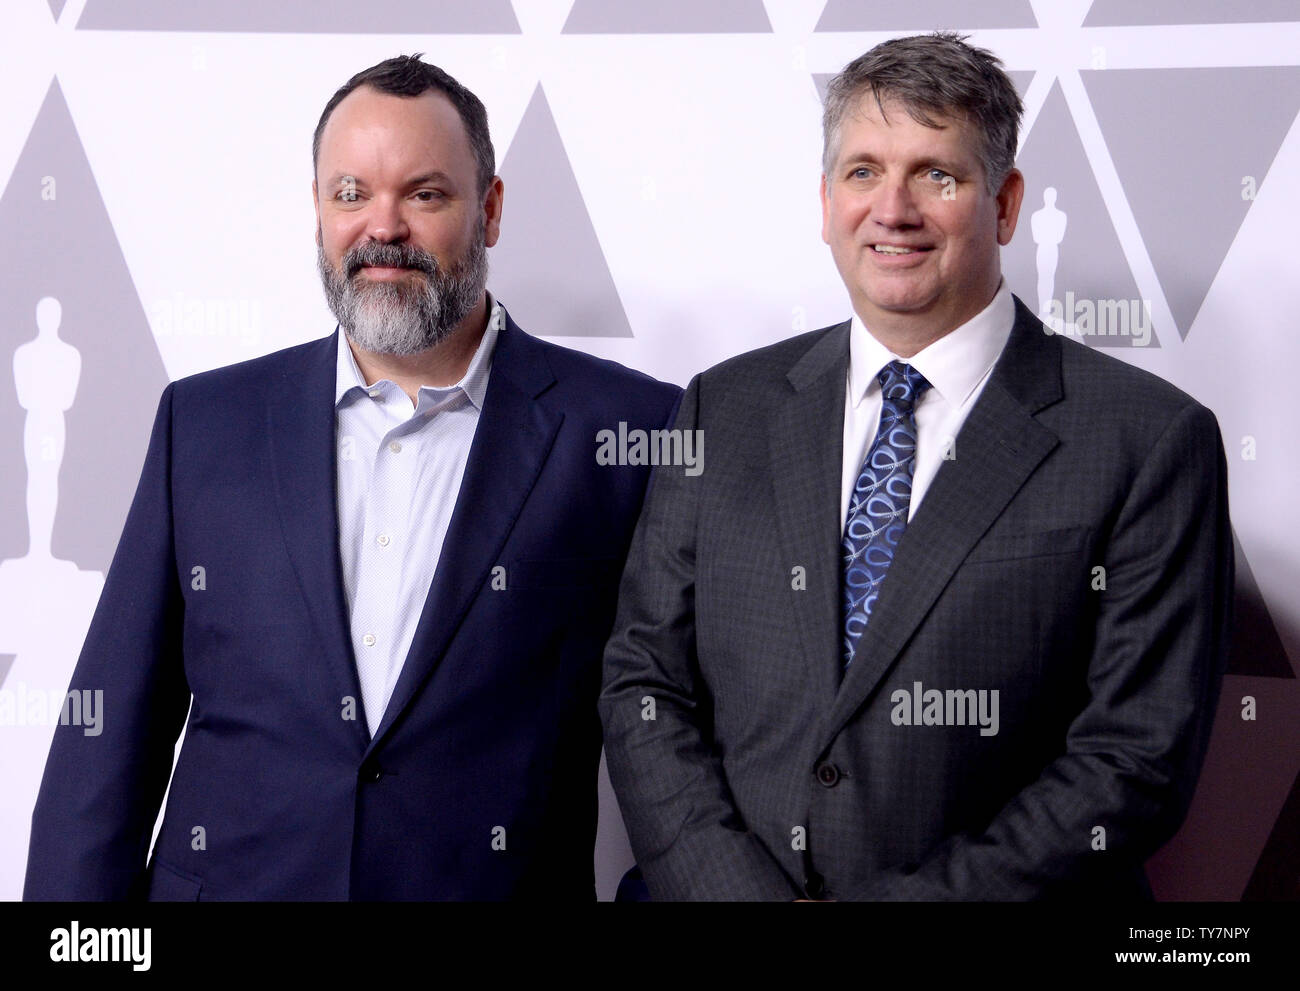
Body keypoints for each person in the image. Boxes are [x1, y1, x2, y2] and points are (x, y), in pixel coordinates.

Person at [25, 54, 680, 900]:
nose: (384, 227)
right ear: (318, 209)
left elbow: (694, 735)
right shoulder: (206, 422)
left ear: (489, 209)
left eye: (425, 194)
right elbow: (108, 738)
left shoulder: (628, 432)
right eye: (351, 193)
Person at [599, 32, 1232, 901]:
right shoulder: (724, 407)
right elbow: (645, 680)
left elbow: (1134, 759)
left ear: (1004, 204)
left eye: (937, 175)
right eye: (863, 171)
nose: (892, 209)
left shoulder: (1148, 439)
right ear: (827, 201)